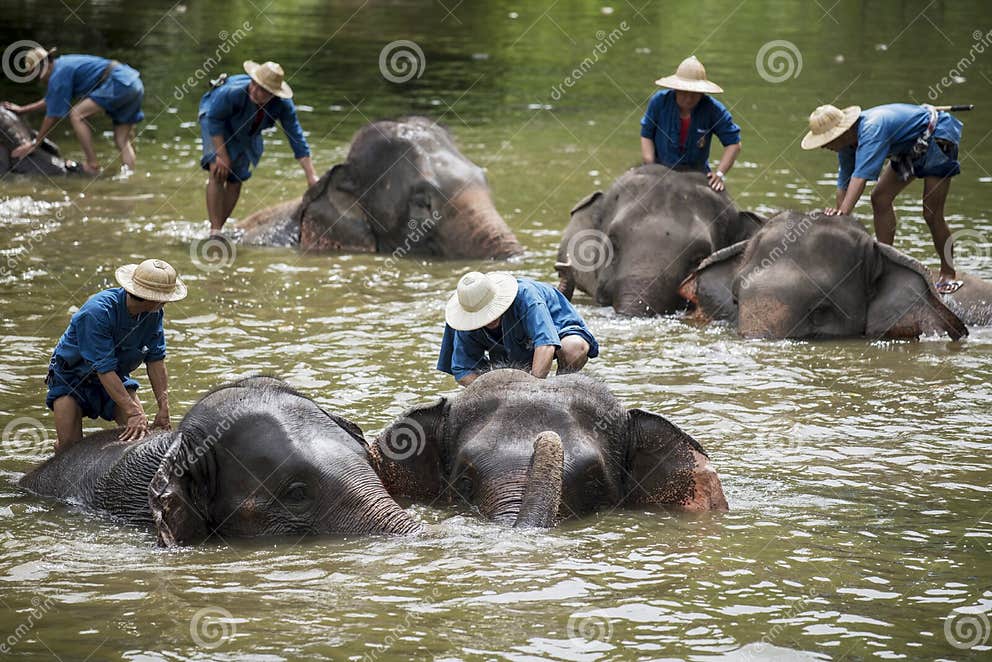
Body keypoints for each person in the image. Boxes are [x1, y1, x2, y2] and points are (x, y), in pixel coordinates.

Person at [802, 103, 965, 293]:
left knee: (931, 212)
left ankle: (948, 272)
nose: (823, 146)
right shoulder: (846, 145)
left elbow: (859, 178)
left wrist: (844, 212)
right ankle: (887, 259)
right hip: (908, 148)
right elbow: (844, 183)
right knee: (879, 198)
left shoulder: (871, 129)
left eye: (826, 140)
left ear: (842, 132)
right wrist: (840, 217)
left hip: (936, 136)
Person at [45, 259, 187, 449]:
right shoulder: (96, 313)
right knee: (69, 447)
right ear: (152, 298)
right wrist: (134, 412)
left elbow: (155, 360)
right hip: (72, 378)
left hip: (116, 377)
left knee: (140, 438)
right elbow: (103, 368)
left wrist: (163, 407)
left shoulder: (154, 313)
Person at [198, 60, 318, 236]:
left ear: (273, 94)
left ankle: (219, 228)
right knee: (219, 169)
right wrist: (221, 154)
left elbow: (296, 137)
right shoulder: (232, 93)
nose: (254, 91)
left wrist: (311, 175)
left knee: (236, 178)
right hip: (215, 120)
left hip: (249, 128)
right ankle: (214, 231)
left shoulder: (283, 106)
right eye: (254, 84)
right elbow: (214, 119)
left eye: (262, 90)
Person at [437, 272, 599, 387]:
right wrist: (493, 390)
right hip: (511, 345)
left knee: (573, 348)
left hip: (555, 331)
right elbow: (463, 369)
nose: (489, 319)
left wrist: (533, 389)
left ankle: (560, 388)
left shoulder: (527, 297)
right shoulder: (465, 319)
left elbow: (546, 344)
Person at [2, 46, 144, 175]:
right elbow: (51, 100)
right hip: (133, 82)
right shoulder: (62, 66)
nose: (39, 79)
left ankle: (92, 165)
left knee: (77, 115)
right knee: (122, 140)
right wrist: (23, 110)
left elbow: (53, 115)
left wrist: (35, 144)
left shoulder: (59, 75)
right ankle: (129, 176)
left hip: (117, 83)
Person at [640, 55, 741, 192]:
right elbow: (646, 134)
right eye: (683, 93)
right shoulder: (659, 102)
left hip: (697, 174)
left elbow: (734, 144)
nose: (688, 99)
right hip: (661, 169)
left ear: (702, 93)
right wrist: (650, 165)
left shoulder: (713, 109)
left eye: (694, 94)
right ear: (676, 89)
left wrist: (719, 174)